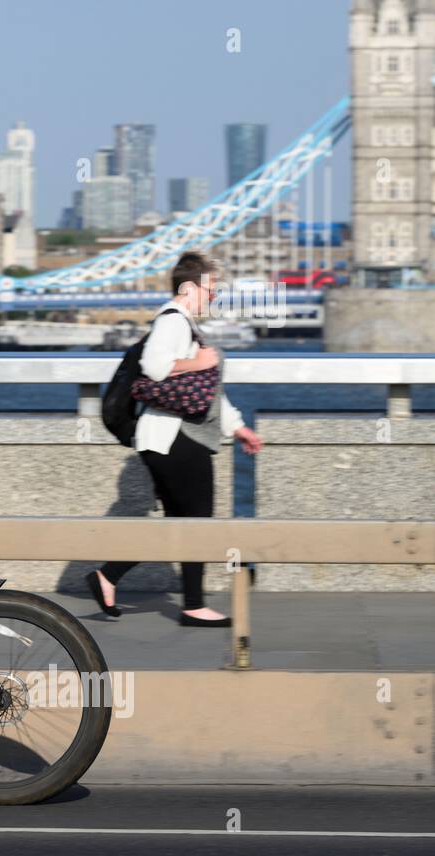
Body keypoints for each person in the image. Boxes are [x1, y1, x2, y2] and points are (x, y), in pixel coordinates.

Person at [87, 252, 264, 627]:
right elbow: (154, 366)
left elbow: (207, 392)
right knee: (197, 522)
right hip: (177, 439)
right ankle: (194, 605)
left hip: (169, 438)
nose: (214, 296)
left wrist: (237, 427)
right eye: (211, 288)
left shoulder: (182, 324)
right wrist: (198, 363)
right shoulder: (173, 321)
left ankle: (109, 576)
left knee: (177, 524)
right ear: (190, 288)